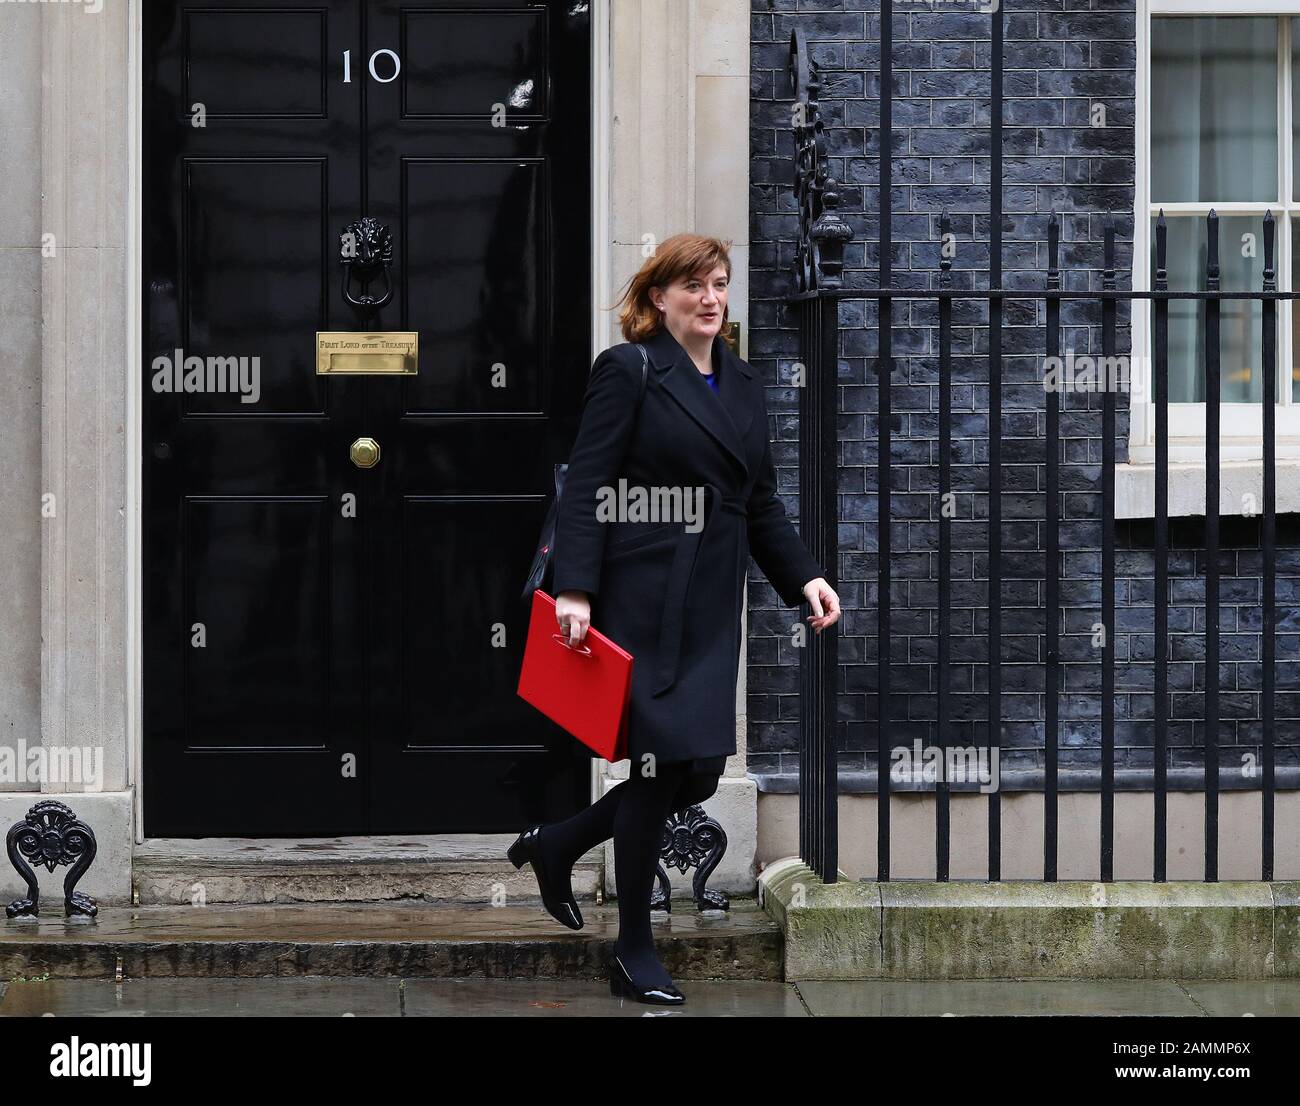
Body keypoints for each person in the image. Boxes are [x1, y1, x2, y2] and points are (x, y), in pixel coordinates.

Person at [508, 233, 840, 1004]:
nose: (711, 298)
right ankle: (632, 948)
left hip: (710, 604)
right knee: (658, 767)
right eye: (693, 284)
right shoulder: (630, 371)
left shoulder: (746, 386)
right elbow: (588, 484)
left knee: (692, 770)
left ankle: (556, 844)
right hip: (641, 594)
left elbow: (761, 503)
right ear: (658, 297)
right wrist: (576, 590)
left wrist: (807, 579)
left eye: (719, 284)